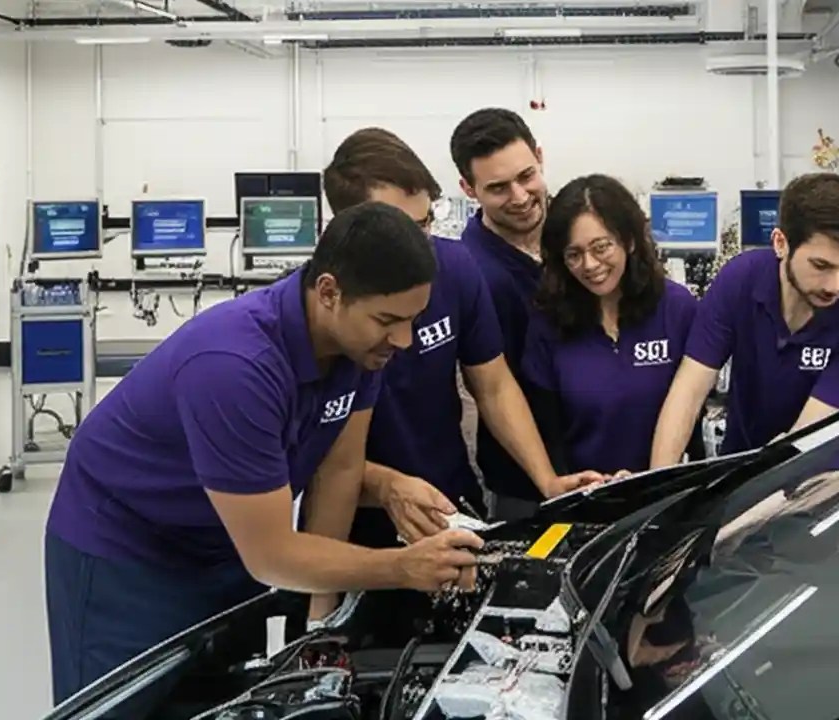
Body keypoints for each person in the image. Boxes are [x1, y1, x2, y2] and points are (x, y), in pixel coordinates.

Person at [43, 201, 484, 707]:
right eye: (388, 319)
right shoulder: (235, 366)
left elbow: (337, 469)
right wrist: (402, 567)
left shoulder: (359, 346)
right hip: (128, 553)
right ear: (328, 292)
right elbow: (272, 554)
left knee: (225, 703)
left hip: (226, 542)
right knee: (127, 706)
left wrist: (323, 618)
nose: (403, 339)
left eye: (412, 319)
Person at [319, 128, 604, 545]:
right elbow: (312, 455)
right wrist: (383, 485)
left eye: (425, 222)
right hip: (355, 517)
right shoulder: (324, 309)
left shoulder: (454, 268)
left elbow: (493, 385)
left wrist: (546, 480)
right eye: (400, 228)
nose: (420, 244)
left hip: (450, 502)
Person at [649, 172, 839, 467]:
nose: (836, 285)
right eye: (821, 265)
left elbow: (805, 441)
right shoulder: (740, 280)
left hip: (838, 478)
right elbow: (689, 391)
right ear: (781, 243)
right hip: (744, 466)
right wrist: (655, 490)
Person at [521, 174, 698, 476]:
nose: (589, 265)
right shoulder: (549, 323)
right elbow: (546, 430)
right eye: (574, 255)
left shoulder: (677, 308)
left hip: (670, 492)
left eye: (601, 247)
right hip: (586, 496)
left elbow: (697, 412)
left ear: (628, 241)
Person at [451, 107, 579, 519]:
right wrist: (546, 480)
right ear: (468, 189)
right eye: (498, 188)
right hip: (527, 489)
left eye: (526, 176)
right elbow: (492, 388)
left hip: (618, 465)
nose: (521, 198)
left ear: (539, 157)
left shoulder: (580, 231)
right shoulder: (471, 273)